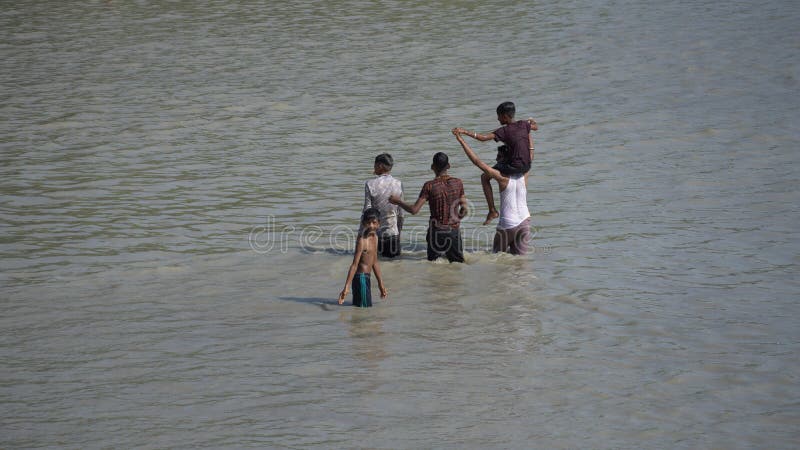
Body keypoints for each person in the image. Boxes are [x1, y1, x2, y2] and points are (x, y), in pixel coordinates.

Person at [456, 101, 538, 225]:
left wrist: (464, 132)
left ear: (505, 116)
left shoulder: (504, 131)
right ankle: (492, 211)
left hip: (513, 168)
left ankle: (492, 211)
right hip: (525, 166)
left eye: (498, 116)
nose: (497, 118)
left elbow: (482, 138)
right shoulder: (523, 124)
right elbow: (535, 127)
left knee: (484, 177)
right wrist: (531, 122)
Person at [452, 129, 532, 255]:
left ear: (505, 159)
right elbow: (530, 153)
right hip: (525, 222)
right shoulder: (524, 173)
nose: (496, 159)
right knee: (520, 263)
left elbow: (477, 162)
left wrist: (461, 140)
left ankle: (492, 211)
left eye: (499, 157)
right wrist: (527, 133)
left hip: (508, 224)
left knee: (495, 257)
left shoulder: (502, 178)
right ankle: (492, 211)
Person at [389, 152, 468, 263]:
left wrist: (397, 201)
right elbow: (464, 209)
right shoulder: (458, 183)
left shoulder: (429, 186)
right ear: (449, 166)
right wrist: (455, 221)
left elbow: (414, 210)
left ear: (432, 167)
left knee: (434, 265)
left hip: (436, 232)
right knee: (458, 265)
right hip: (453, 231)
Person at [338, 208, 388, 307]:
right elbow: (354, 265)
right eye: (368, 223)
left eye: (374, 222)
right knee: (365, 309)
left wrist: (380, 284)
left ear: (379, 224)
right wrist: (346, 287)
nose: (371, 226)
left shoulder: (375, 238)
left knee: (359, 308)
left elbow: (375, 262)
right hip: (361, 278)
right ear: (364, 223)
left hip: (366, 278)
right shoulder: (362, 240)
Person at [363, 153, 404, 258]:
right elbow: (401, 214)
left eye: (375, 165)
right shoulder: (398, 183)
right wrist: (399, 234)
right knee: (395, 266)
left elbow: (367, 211)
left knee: (375, 265)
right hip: (393, 233)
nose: (374, 168)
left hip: (376, 234)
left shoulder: (370, 184)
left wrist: (362, 235)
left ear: (380, 166)